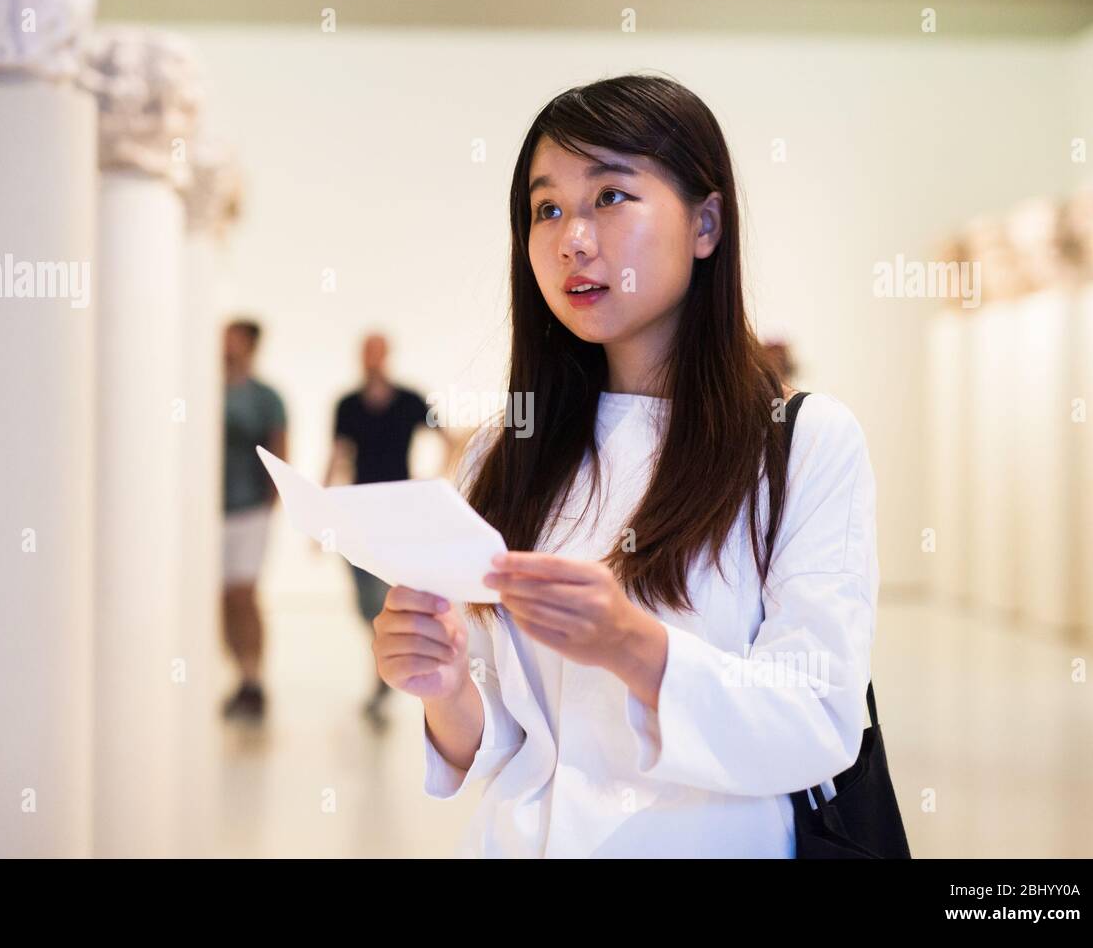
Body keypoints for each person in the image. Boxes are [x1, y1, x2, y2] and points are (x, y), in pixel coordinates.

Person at [370, 74, 880, 857]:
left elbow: (818, 720)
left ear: (706, 223)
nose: (572, 237)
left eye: (610, 196)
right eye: (547, 209)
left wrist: (633, 646)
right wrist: (442, 687)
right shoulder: (501, 454)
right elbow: (504, 737)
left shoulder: (801, 443)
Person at [321, 332, 464, 732]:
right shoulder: (347, 405)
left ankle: (386, 678)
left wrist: (433, 481)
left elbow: (448, 440)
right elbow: (336, 456)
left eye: (378, 352)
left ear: (387, 356)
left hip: (399, 513)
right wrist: (322, 511)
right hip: (358, 512)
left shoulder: (410, 400)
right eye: (366, 352)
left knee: (388, 597)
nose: (372, 360)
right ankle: (383, 673)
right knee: (365, 602)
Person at [221, 319, 287, 723]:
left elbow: (278, 449)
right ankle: (241, 678)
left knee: (244, 594)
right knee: (221, 600)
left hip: (249, 510)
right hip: (209, 512)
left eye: (235, 339)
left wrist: (272, 502)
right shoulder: (203, 389)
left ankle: (255, 678)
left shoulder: (266, 398)